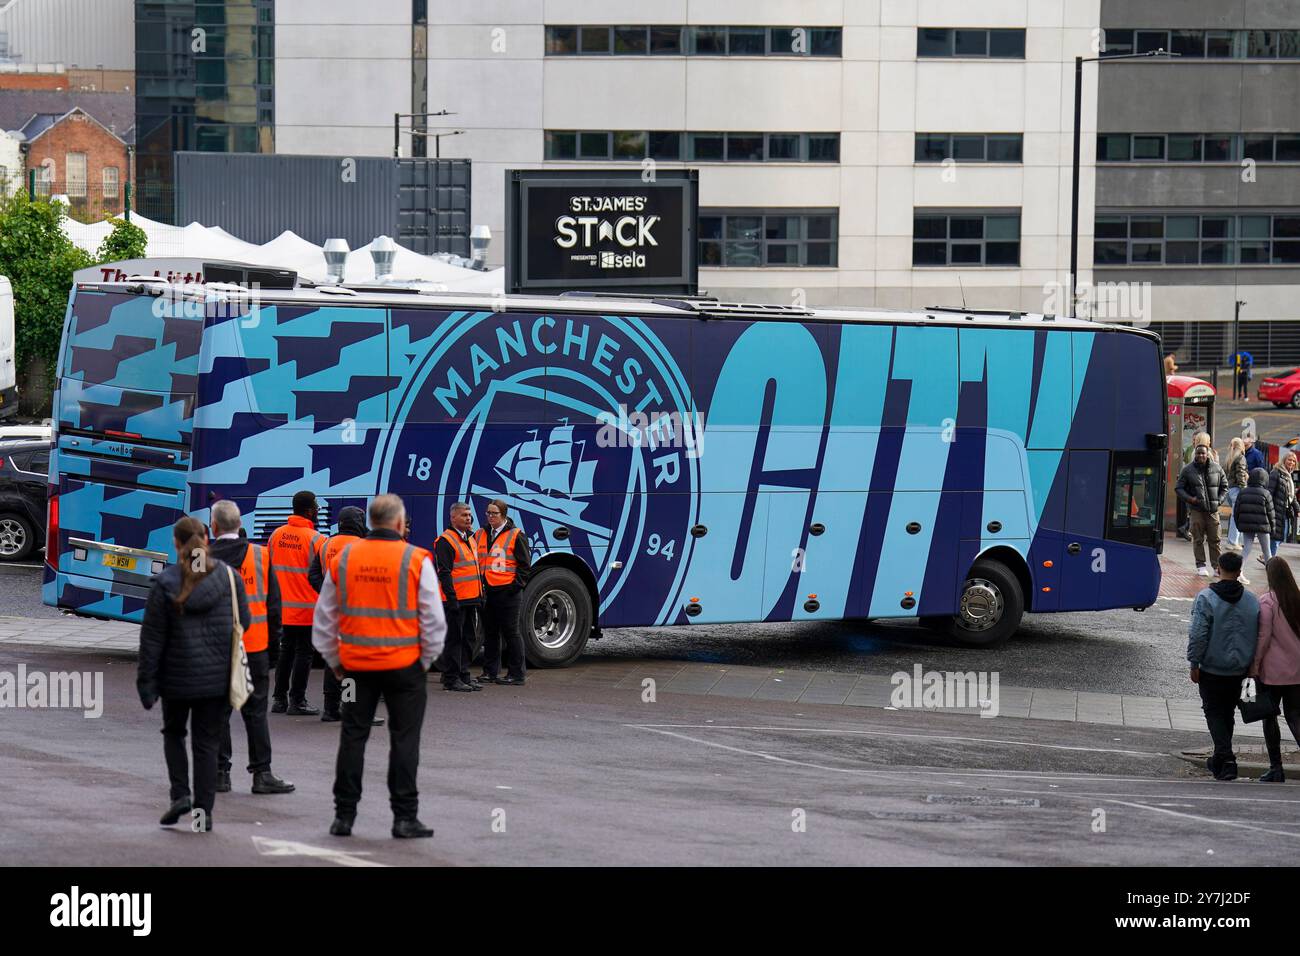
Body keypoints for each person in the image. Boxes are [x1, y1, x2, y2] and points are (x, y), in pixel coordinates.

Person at [312, 494, 447, 838]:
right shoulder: (415, 559)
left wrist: (335, 660)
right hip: (404, 667)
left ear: (371, 522)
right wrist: (424, 661)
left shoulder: (345, 558)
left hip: (355, 667)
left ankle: (344, 816)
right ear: (400, 524)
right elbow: (433, 621)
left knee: (352, 736)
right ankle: (404, 818)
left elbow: (325, 619)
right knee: (404, 739)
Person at [138, 516, 249, 830]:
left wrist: (147, 682)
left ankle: (179, 795)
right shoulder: (228, 577)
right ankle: (203, 815)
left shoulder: (166, 583)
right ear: (205, 537)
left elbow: (152, 638)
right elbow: (246, 622)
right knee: (206, 744)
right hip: (216, 680)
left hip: (176, 678)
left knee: (174, 733)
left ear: (175, 543)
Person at [208, 501, 295, 796]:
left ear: (214, 527)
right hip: (254, 646)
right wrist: (274, 649)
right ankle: (262, 774)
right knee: (255, 712)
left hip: (214, 650)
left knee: (217, 711)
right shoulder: (261, 556)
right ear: (238, 523)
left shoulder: (202, 558)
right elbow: (274, 607)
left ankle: (220, 774)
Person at [308, 505, 384, 727]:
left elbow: (312, 575)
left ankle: (330, 709)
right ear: (359, 523)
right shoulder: (364, 546)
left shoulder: (326, 543)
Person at [1188, 550, 1259, 782]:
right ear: (1239, 572)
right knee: (1227, 713)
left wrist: (1194, 662)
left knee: (1214, 711)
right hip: (1240, 669)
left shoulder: (1206, 598)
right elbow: (1259, 634)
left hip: (1212, 667)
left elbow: (1199, 634)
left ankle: (1227, 759)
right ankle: (1219, 760)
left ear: (1218, 569)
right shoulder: (1251, 600)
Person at [269, 490, 325, 716]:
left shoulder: (276, 535)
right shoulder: (316, 539)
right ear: (310, 511)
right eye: (316, 509)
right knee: (304, 653)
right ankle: (297, 700)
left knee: (286, 651)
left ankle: (279, 699)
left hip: (283, 607)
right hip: (306, 608)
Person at [1251, 557, 1300, 783]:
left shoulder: (1268, 601)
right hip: (1297, 671)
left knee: (1269, 718)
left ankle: (1276, 768)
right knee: (1295, 717)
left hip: (1272, 672)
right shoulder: (1297, 599)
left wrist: (1255, 665)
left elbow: (1263, 637)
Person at [475, 499, 531, 686]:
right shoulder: (481, 533)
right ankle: (490, 671)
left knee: (511, 633)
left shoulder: (516, 535)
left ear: (504, 515)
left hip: (508, 592)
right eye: (488, 513)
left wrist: (515, 587)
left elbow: (525, 566)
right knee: (490, 633)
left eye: (494, 513)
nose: (490, 516)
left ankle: (517, 674)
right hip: (488, 591)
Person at [434, 501, 485, 692]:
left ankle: (463, 674)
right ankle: (451, 678)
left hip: (471, 598)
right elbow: (444, 573)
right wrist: (452, 598)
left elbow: (474, 569)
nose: (468, 518)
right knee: (454, 640)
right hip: (455, 600)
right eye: (464, 515)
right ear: (453, 517)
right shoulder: (445, 541)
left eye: (469, 514)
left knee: (469, 639)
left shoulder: (469, 539)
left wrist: (481, 595)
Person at [1175, 441, 1226, 576]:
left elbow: (1224, 487)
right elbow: (1179, 488)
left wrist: (1219, 500)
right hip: (1196, 510)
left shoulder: (1217, 468)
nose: (1201, 455)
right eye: (1198, 453)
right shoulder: (1187, 470)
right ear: (1195, 455)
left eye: (1203, 453)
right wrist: (1191, 499)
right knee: (1198, 539)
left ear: (1207, 453)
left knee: (1215, 539)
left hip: (1213, 511)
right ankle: (1201, 565)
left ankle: (1216, 566)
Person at [1231, 468, 1273, 584]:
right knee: (1267, 552)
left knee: (1246, 549)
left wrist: (1239, 524)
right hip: (1263, 526)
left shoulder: (1243, 492)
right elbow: (1271, 513)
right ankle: (1272, 577)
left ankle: (1239, 573)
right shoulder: (1266, 493)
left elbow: (1236, 511)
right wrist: (1272, 527)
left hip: (1247, 525)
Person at [1267, 452, 1299, 559]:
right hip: (1276, 510)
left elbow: (1292, 496)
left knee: (1282, 536)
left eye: (1294, 461)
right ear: (1284, 460)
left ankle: (1266, 555)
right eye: (1289, 460)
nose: (1291, 462)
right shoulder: (1276, 473)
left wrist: (1297, 509)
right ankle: (1270, 558)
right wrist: (1269, 509)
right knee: (1276, 537)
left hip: (1284, 511)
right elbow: (1269, 492)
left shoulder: (1288, 476)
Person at [1223, 436, 1249, 550]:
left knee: (1234, 515)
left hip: (1229, 489)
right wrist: (1244, 489)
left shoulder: (1229, 457)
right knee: (1236, 516)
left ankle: (1234, 540)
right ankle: (1233, 542)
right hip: (1237, 489)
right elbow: (1241, 474)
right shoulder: (1241, 458)